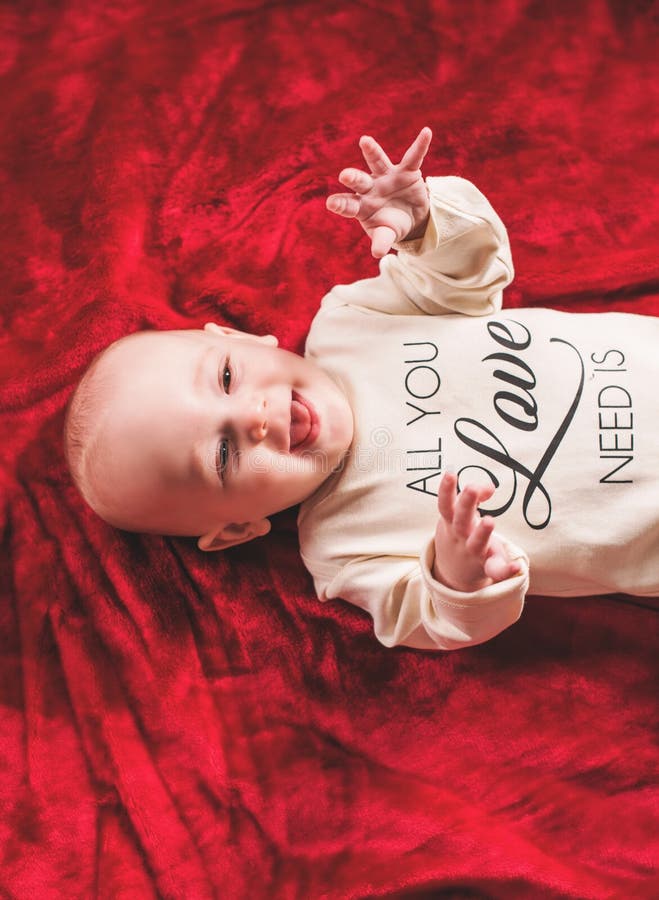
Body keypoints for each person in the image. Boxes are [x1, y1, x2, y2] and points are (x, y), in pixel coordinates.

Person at [64, 128, 659, 650]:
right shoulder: (343, 551)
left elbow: (475, 275)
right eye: (223, 454)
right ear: (238, 527)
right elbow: (430, 621)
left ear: (245, 337)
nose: (253, 416)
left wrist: (425, 225)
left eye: (226, 378)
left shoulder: (354, 321)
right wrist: (457, 581)